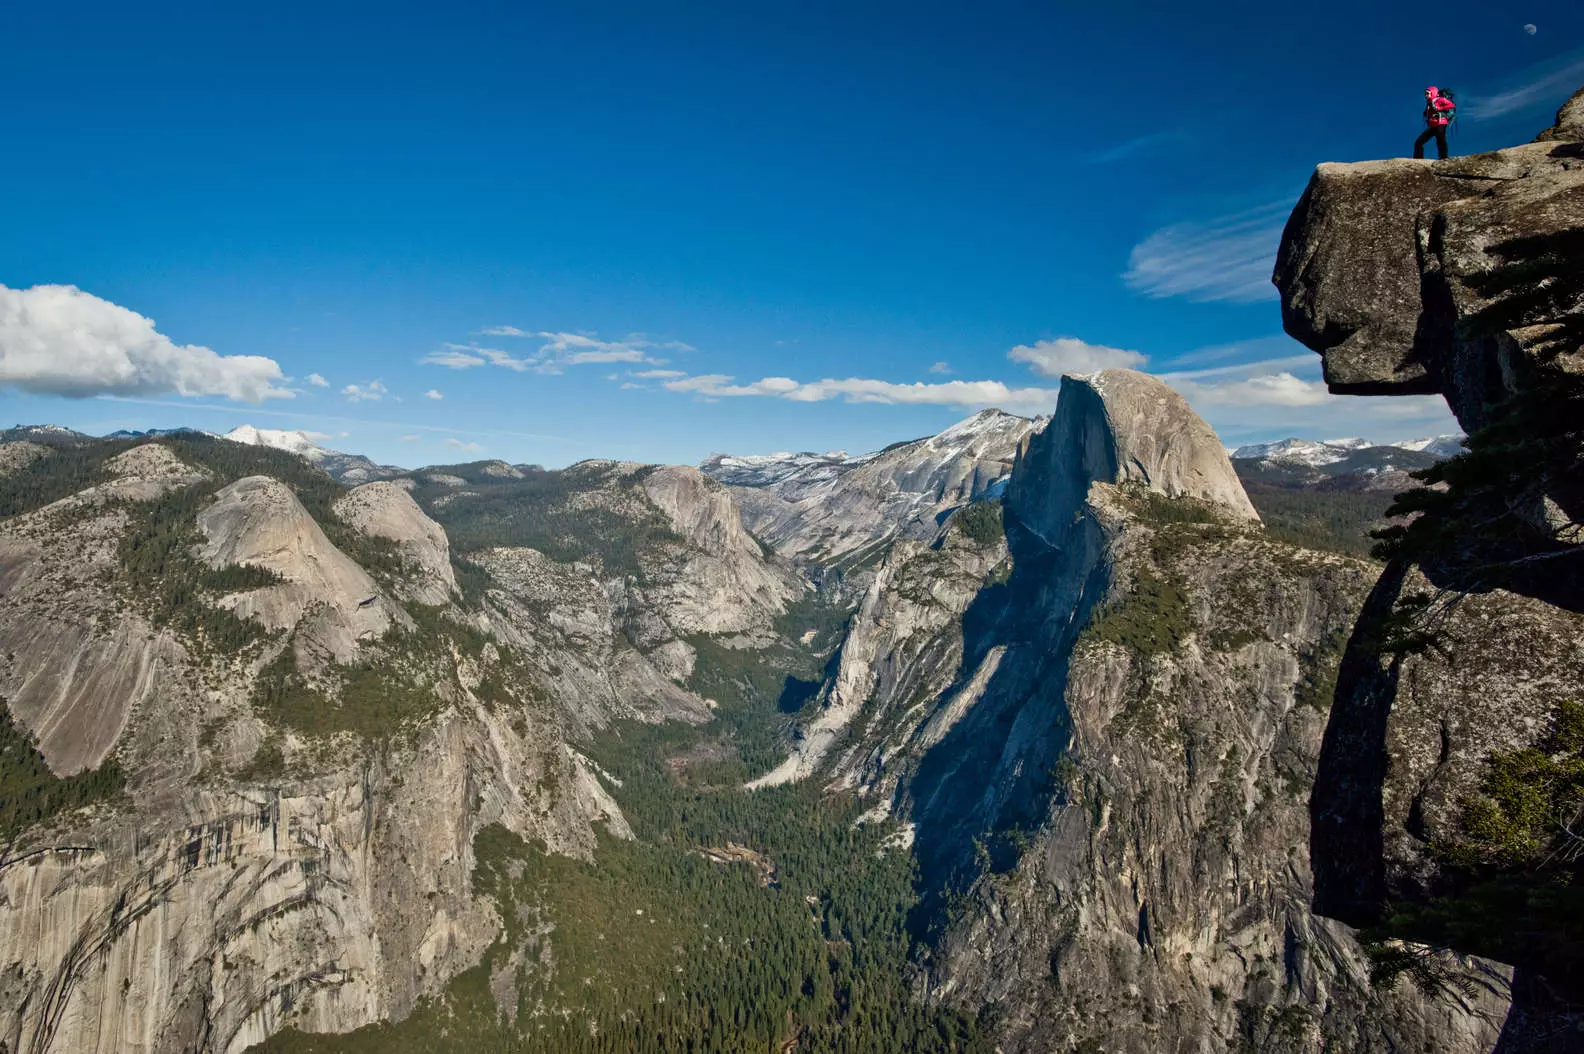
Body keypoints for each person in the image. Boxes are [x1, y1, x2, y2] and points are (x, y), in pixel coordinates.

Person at [1414, 86, 1456, 159]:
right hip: (1433, 126)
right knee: (1419, 141)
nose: (1425, 95)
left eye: (1427, 93)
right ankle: (1418, 159)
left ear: (1432, 93)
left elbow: (1451, 105)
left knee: (1440, 139)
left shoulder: (1440, 99)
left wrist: (1440, 109)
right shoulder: (1429, 104)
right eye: (1425, 94)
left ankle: (1443, 157)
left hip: (1441, 123)